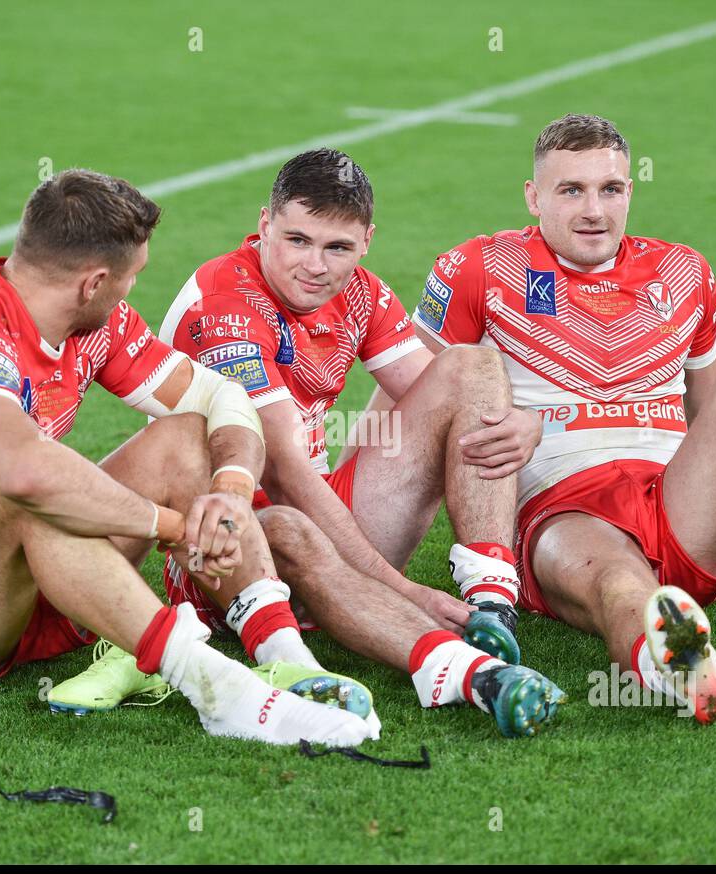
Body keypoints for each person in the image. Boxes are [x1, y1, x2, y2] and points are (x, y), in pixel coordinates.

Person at [0, 168, 375, 746]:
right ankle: (221, 690)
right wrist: (172, 526)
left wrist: (233, 494)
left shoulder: (91, 322)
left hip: (39, 585)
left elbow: (220, 397)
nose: (131, 291)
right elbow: (22, 473)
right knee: (26, 488)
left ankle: (286, 657)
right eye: (131, 278)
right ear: (93, 283)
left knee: (183, 433)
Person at [54, 150, 564, 738]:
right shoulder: (226, 302)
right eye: (297, 240)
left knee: (472, 367)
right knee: (292, 525)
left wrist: (525, 420)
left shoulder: (361, 294)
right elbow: (285, 475)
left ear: (367, 240)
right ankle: (468, 672)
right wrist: (403, 588)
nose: (316, 266)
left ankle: (493, 602)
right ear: (264, 225)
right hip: (231, 550)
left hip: (324, 520)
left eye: (338, 248)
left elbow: (446, 394)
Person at [411, 114, 716, 724]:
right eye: (570, 190)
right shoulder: (480, 268)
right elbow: (411, 402)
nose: (593, 209)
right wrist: (352, 531)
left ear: (630, 190)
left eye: (610, 189)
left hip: (681, 499)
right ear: (533, 196)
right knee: (621, 586)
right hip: (561, 503)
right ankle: (680, 664)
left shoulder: (684, 273)